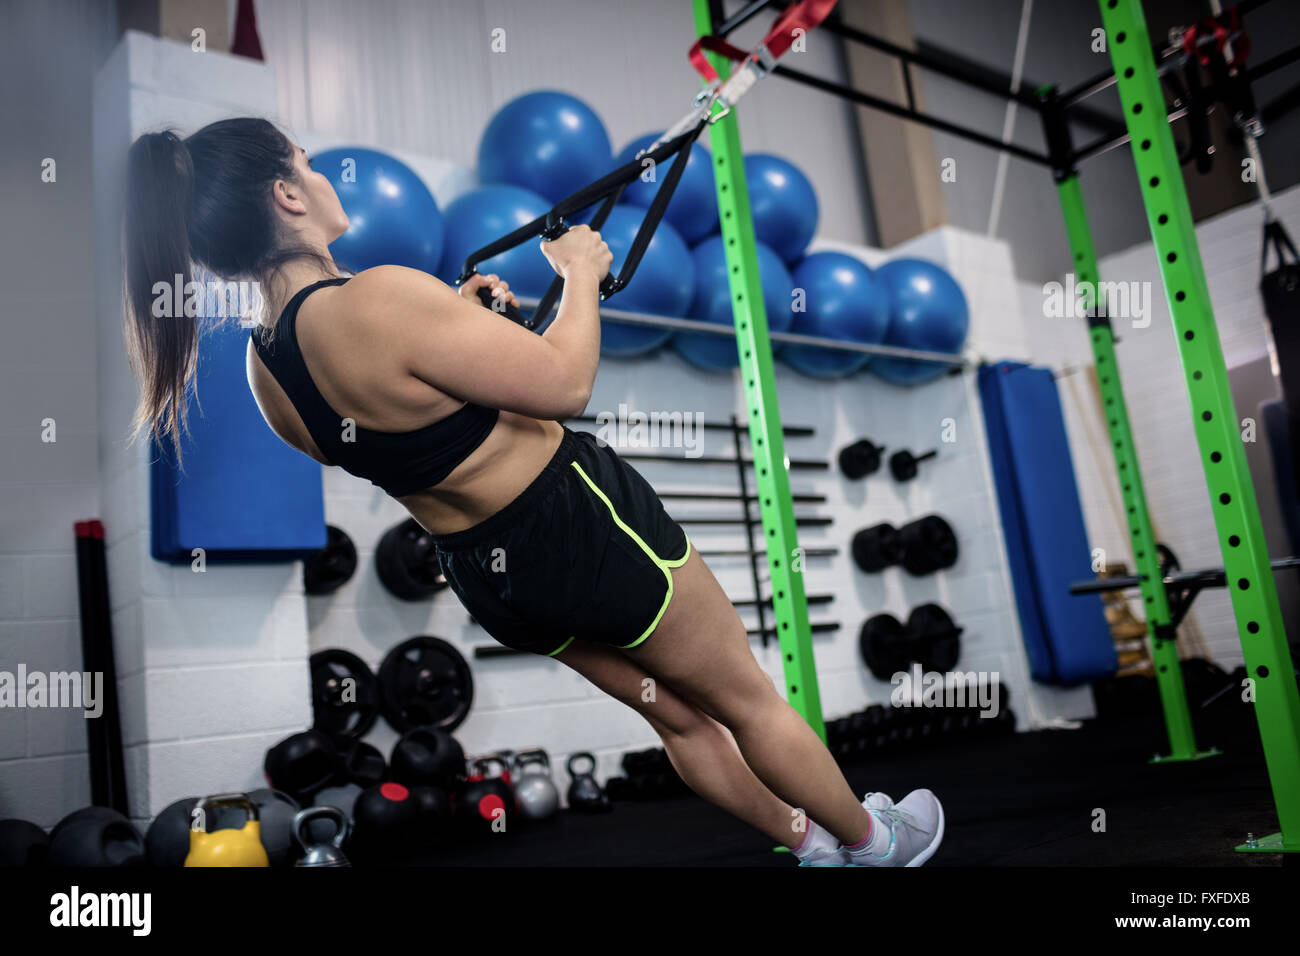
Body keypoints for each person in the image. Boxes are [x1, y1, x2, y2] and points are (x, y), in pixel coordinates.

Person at [123, 117, 943, 866]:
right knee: (749, 703)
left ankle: (810, 845)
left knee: (677, 719)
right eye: (307, 161)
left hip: (493, 577)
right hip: (582, 525)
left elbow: (399, 429)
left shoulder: (265, 370)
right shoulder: (378, 297)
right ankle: (877, 844)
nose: (323, 174)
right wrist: (580, 272)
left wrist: (452, 321)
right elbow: (563, 383)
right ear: (287, 194)